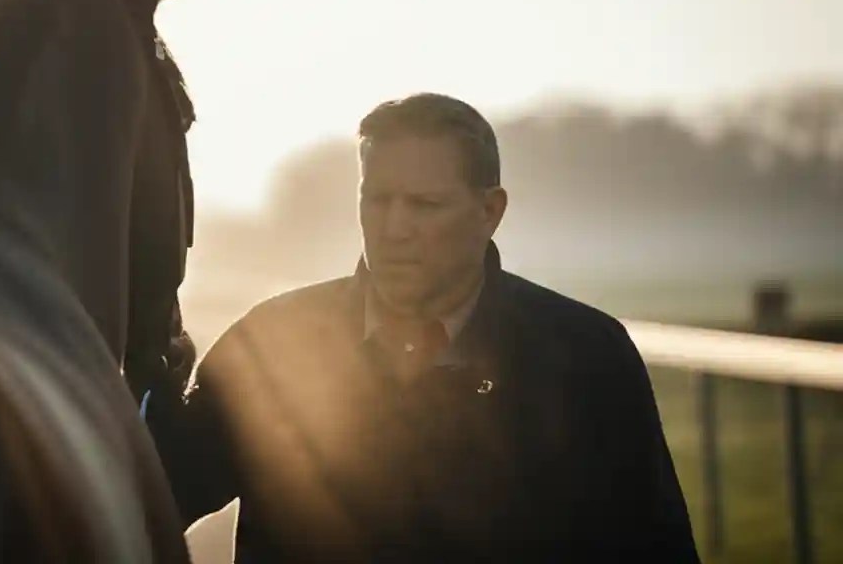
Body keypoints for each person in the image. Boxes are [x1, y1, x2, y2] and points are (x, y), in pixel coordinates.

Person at [148, 93, 699, 562]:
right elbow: (153, 503)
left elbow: (655, 548)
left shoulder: (585, 357)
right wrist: (148, 377)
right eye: (377, 200)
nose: (394, 228)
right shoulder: (273, 346)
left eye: (424, 205)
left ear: (490, 212)